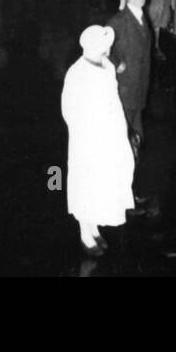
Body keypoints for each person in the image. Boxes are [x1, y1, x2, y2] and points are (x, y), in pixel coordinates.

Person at [60, 24, 135, 257]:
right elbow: (69, 110)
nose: (109, 47)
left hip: (111, 135)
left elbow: (114, 100)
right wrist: (89, 132)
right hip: (89, 140)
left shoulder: (108, 66)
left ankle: (94, 227)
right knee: (87, 183)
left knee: (105, 181)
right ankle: (85, 232)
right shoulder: (77, 72)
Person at [108, 0, 153, 145]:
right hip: (125, 90)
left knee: (135, 137)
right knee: (123, 139)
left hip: (139, 89)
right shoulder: (119, 21)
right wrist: (117, 63)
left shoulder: (143, 18)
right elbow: (103, 47)